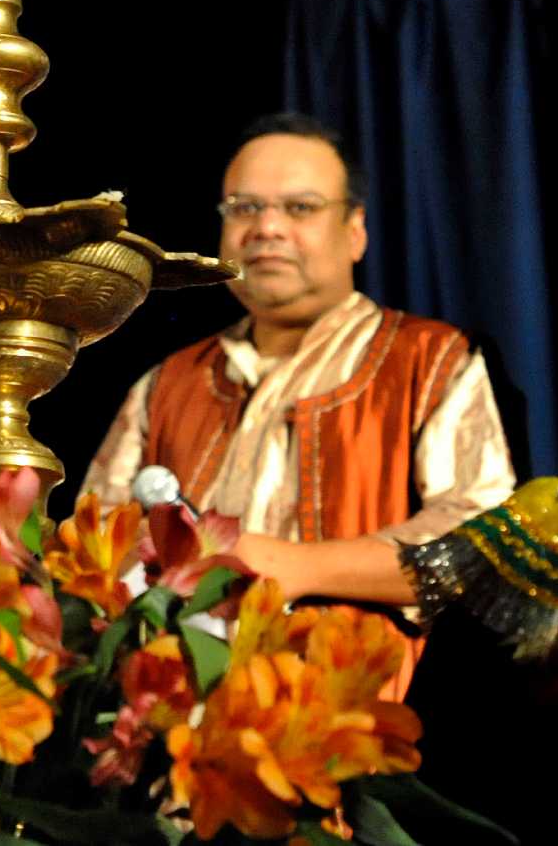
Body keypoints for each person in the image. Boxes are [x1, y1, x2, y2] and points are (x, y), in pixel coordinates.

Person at [83, 113, 516, 685]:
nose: (267, 227)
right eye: (244, 208)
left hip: (365, 711)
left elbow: (483, 546)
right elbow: (92, 547)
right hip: (176, 718)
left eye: (300, 207)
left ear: (355, 230)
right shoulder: (167, 384)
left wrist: (291, 565)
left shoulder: (430, 361)